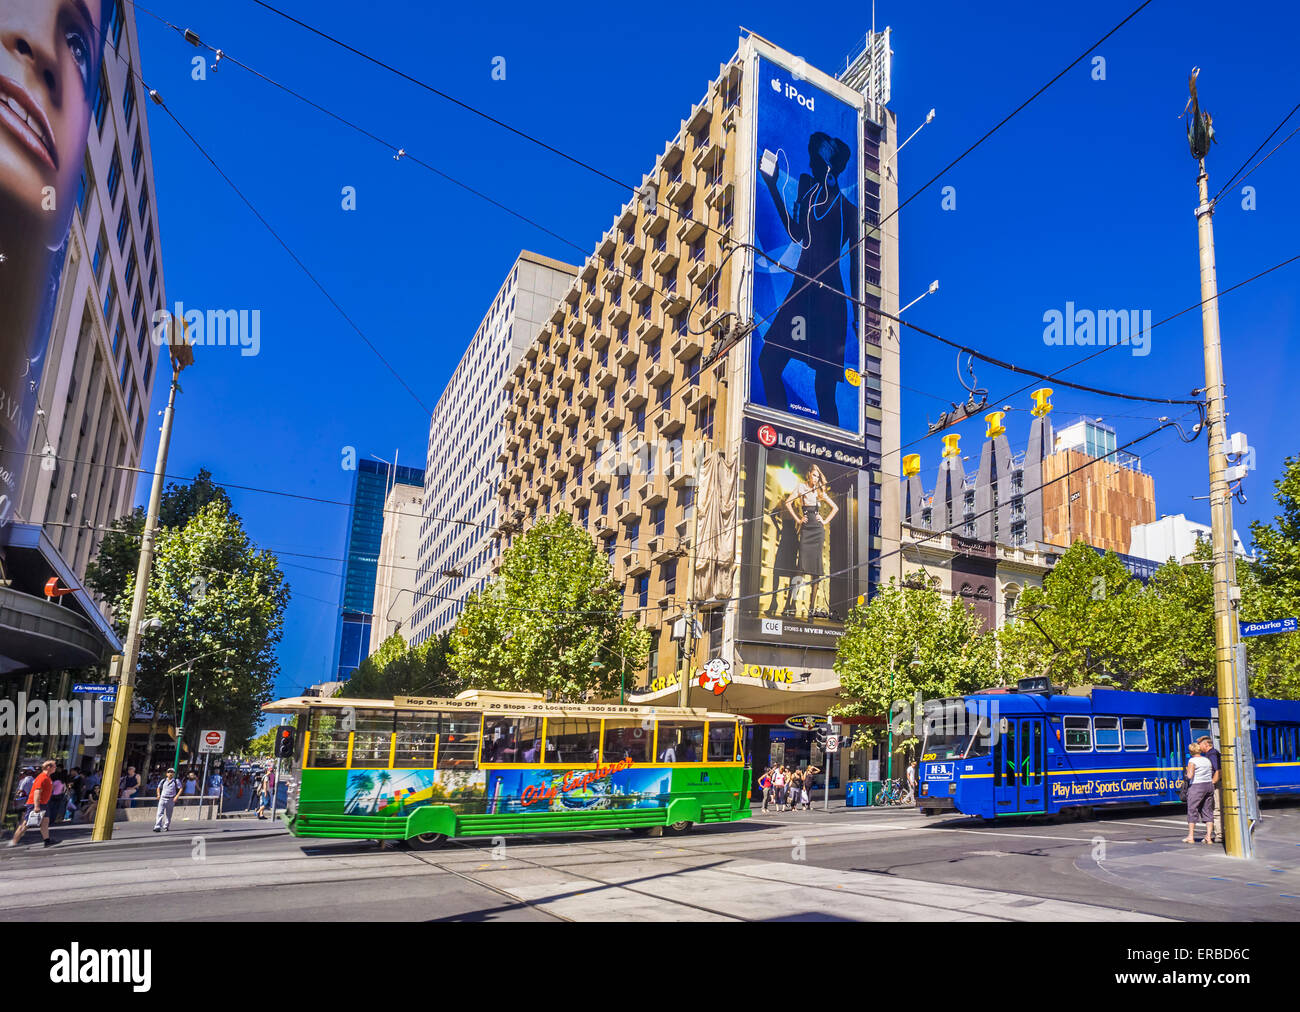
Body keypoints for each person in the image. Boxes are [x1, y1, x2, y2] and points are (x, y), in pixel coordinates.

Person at [755, 131, 860, 429]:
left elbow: (854, 265)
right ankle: (780, 436)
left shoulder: (849, 211)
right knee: (768, 363)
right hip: (800, 294)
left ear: (827, 166)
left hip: (831, 301)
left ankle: (835, 463)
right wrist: (773, 186)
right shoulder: (806, 190)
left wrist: (856, 315)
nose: (811, 166)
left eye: (815, 161)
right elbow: (797, 234)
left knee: (824, 390)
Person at [783, 465, 839, 620]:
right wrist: (798, 519)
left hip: (818, 531)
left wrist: (825, 521)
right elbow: (788, 503)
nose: (815, 479)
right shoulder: (801, 487)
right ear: (808, 475)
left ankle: (811, 610)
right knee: (800, 568)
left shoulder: (820, 492)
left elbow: (835, 508)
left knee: (816, 571)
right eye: (813, 475)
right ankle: (791, 605)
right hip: (807, 530)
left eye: (817, 477)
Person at [8, 760, 59, 848]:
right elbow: (37, 792)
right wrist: (36, 806)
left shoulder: (47, 777)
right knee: (26, 823)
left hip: (44, 803)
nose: (56, 768)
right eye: (54, 766)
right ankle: (14, 842)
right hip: (36, 803)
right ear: (48, 767)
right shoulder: (42, 777)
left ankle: (47, 841)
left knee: (45, 822)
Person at [1184, 745, 1215, 845]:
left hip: (1197, 787)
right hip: (1209, 786)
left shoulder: (1192, 761)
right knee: (1208, 810)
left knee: (1192, 810)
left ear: (1191, 751)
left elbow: (1190, 775)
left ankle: (1191, 836)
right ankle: (1209, 837)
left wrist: (1186, 773)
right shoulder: (1207, 760)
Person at [1196, 736, 1223, 844]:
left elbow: (1218, 771)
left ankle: (1219, 835)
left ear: (1206, 744)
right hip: (1215, 784)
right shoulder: (1211, 753)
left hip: (1216, 785)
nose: (1199, 747)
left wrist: (1212, 783)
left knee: (1216, 809)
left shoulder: (1212, 754)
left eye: (1200, 745)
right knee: (1215, 809)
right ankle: (1218, 833)